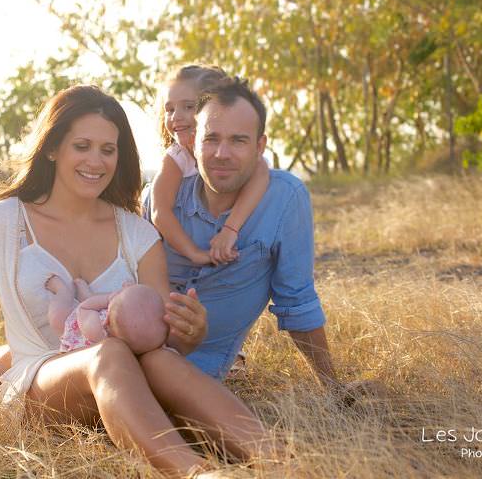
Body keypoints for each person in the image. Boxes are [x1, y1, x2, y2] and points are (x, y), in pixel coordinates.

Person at [0, 84, 277, 477]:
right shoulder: (3, 222)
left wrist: (190, 334)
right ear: (53, 148)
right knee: (110, 353)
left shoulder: (137, 233)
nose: (95, 161)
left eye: (108, 149)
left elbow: (160, 338)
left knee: (159, 361)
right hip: (41, 383)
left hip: (129, 393)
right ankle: (198, 473)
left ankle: (281, 458)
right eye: (81, 146)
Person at [143, 75, 338, 386]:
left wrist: (334, 386)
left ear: (260, 146)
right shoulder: (159, 196)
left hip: (204, 372)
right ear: (195, 139)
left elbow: (296, 299)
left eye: (238, 140)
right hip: (138, 355)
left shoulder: (284, 198)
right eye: (212, 138)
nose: (222, 153)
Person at [152, 65, 270, 266]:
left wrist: (230, 229)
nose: (176, 116)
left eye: (188, 107)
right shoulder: (176, 156)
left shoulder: (243, 157)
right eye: (169, 109)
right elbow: (159, 211)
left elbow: (261, 174)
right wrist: (195, 253)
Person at [46, 276, 168, 355]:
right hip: (103, 315)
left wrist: (108, 299)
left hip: (80, 326)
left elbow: (84, 308)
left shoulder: (97, 331)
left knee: (57, 317)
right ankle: (88, 294)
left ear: (107, 321)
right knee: (125, 303)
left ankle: (63, 291)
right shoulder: (142, 342)